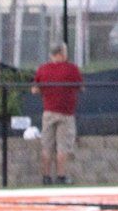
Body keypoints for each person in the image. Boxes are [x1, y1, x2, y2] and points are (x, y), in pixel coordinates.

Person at [32, 41, 84, 185]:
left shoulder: (43, 69)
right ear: (61, 53)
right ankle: (61, 176)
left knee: (47, 146)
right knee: (63, 147)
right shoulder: (72, 69)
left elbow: (35, 89)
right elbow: (81, 87)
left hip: (48, 112)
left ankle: (46, 177)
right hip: (66, 114)